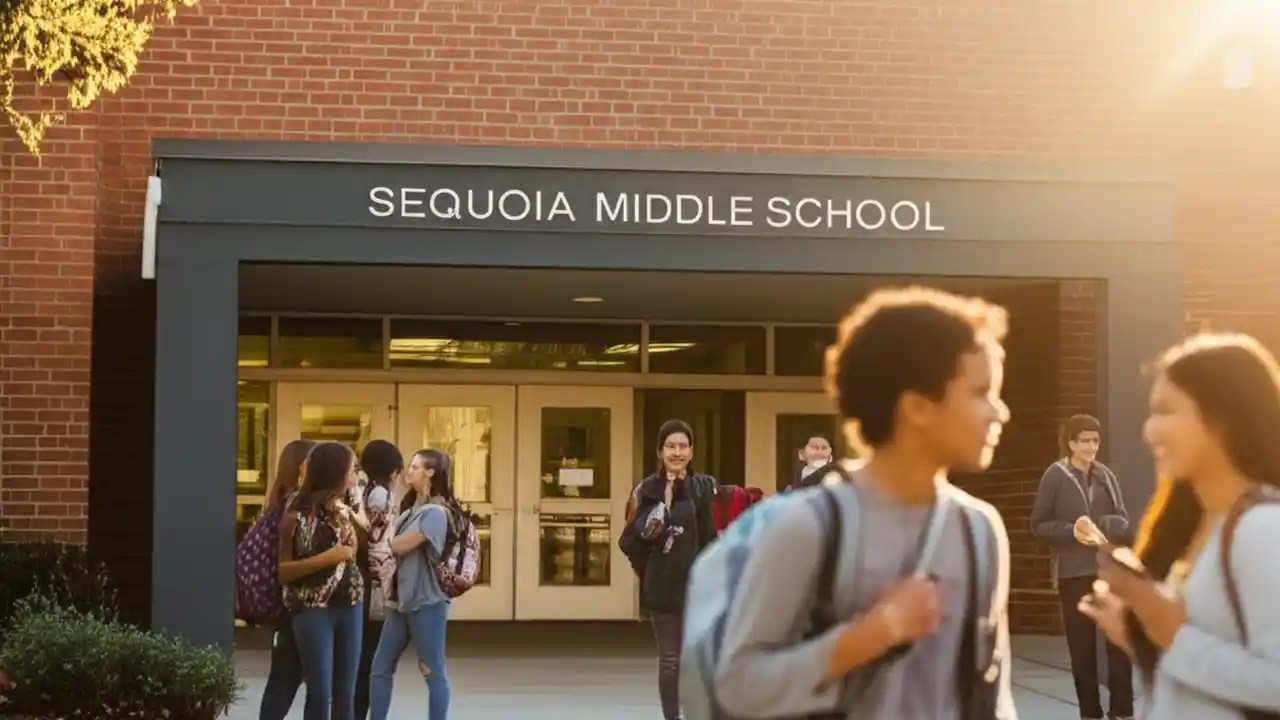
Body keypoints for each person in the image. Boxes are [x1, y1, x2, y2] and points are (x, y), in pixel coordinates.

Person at [713, 286, 1017, 719]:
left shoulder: (980, 529)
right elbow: (738, 685)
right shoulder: (811, 526)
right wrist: (874, 634)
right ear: (916, 407)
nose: (999, 412)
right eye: (980, 392)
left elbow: (994, 694)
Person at [1078, 332, 1280, 719]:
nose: (1149, 430)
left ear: (1222, 416)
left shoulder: (1262, 529)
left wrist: (1169, 632)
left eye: (1166, 411)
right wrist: (1138, 635)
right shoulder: (1197, 525)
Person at [1030, 414, 1133, 720]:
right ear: (1071, 443)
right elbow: (1038, 525)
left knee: (1119, 644)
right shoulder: (1055, 476)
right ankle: (1090, 713)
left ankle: (1123, 712)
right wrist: (1072, 529)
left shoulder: (1105, 476)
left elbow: (1124, 520)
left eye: (1095, 441)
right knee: (1082, 650)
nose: (1091, 446)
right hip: (1073, 575)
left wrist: (1102, 524)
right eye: (1084, 441)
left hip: (1108, 572)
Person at [620, 419, 718, 720]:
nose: (678, 452)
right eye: (671, 446)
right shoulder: (646, 489)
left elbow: (709, 537)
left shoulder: (702, 486)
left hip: (696, 586)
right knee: (670, 660)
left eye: (683, 446)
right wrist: (652, 567)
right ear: (660, 451)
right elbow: (629, 541)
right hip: (663, 585)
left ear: (691, 451)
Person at [277, 441, 365, 720]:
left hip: (351, 604)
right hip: (312, 609)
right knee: (319, 693)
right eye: (353, 469)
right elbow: (282, 571)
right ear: (335, 472)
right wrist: (328, 558)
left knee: (346, 693)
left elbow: (360, 551)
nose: (357, 475)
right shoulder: (295, 512)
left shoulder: (346, 510)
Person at [368, 449, 456, 720]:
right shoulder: (411, 510)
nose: (409, 471)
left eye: (416, 466)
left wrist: (383, 539)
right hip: (401, 601)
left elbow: (399, 545)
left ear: (431, 472)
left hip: (427, 601)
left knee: (433, 671)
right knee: (380, 668)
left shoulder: (437, 513)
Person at [257, 438, 316, 720]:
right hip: (296, 604)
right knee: (294, 678)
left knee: (284, 677)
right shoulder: (297, 509)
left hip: (283, 604)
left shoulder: (276, 503)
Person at [352, 439, 404, 720]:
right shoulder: (382, 496)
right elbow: (379, 545)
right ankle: (360, 712)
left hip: (363, 582)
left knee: (360, 655)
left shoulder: (362, 491)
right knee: (370, 657)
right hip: (375, 586)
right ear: (394, 470)